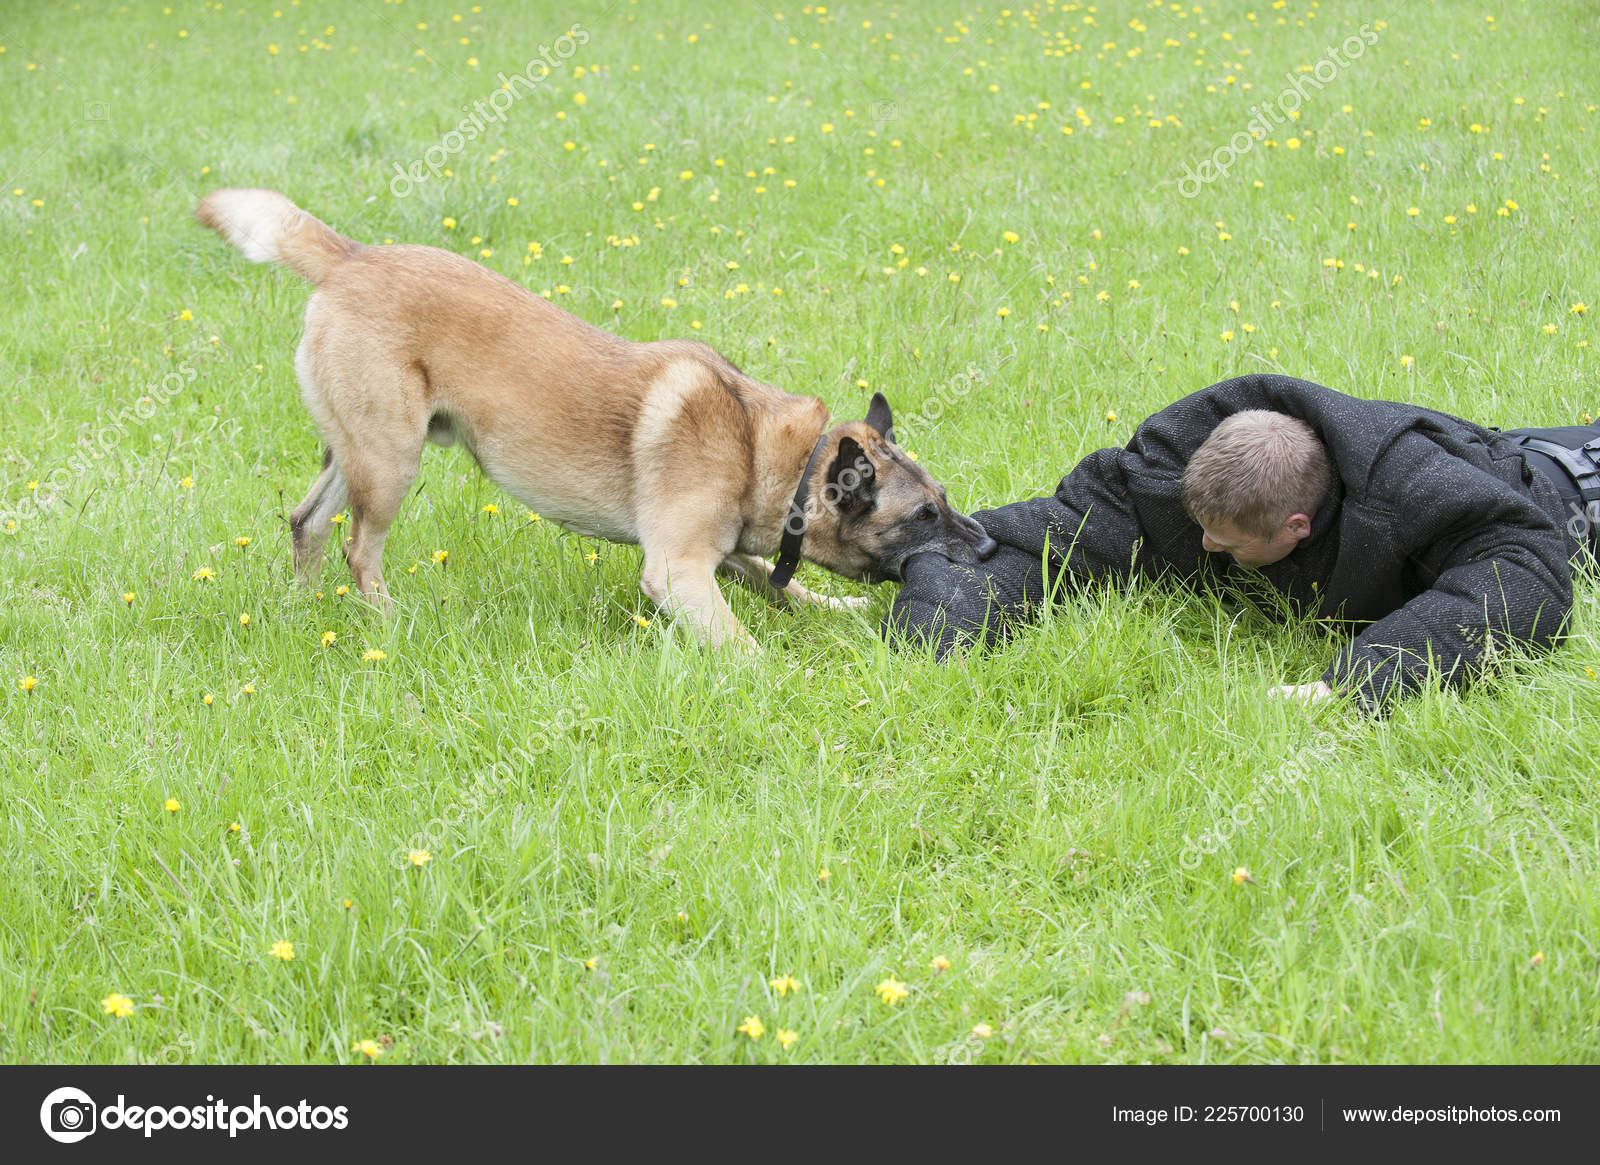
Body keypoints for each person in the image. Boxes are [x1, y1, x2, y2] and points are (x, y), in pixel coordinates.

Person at [882, 373, 1599, 714]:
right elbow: (1034, 540)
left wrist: (1354, 680)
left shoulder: (1404, 489)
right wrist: (934, 634)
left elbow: (1525, 572)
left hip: (1560, 491)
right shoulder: (1180, 471)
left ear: (1297, 529)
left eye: (1225, 546)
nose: (1202, 547)